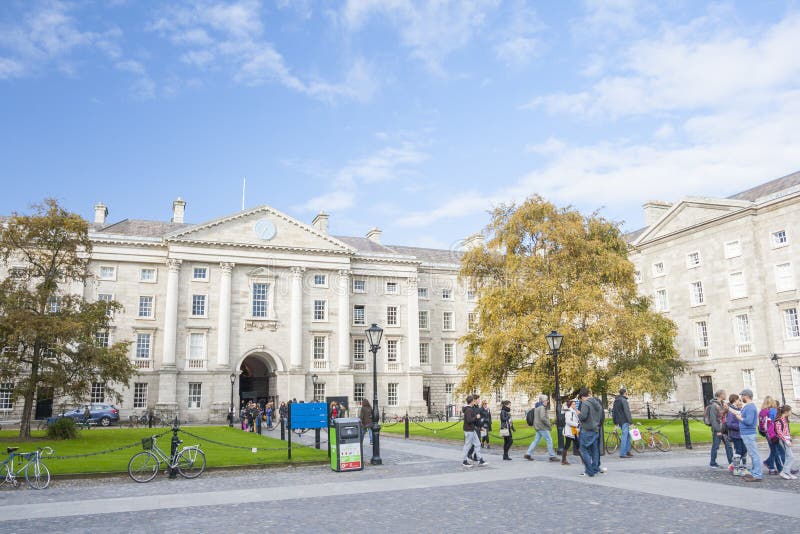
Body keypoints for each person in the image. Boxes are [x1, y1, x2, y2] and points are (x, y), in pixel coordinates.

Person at [734, 389, 762, 482]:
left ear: (746, 396)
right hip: (747, 433)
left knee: (754, 454)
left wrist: (739, 418)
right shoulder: (749, 406)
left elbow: (749, 422)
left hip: (748, 433)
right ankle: (754, 472)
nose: (741, 398)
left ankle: (757, 474)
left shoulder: (749, 407)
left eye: (742, 396)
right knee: (752, 454)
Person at [578, 387, 605, 477]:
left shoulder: (585, 403)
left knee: (584, 450)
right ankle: (595, 468)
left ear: (582, 396)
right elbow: (601, 416)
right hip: (596, 429)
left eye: (581, 399)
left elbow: (583, 417)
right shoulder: (597, 403)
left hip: (587, 429)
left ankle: (589, 471)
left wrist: (578, 414)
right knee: (595, 450)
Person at [524, 394, 559, 462]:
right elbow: (542, 418)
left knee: (536, 441)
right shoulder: (542, 408)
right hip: (542, 427)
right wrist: (549, 423)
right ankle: (552, 456)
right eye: (546, 400)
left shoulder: (537, 407)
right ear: (543, 401)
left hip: (538, 427)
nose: (547, 402)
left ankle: (528, 454)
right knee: (549, 440)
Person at [708, 389, 732, 468]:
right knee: (715, 446)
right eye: (724, 394)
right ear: (721, 395)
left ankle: (731, 463)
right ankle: (712, 463)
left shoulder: (723, 404)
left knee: (728, 446)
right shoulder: (714, 405)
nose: (726, 395)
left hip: (724, 429)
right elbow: (713, 419)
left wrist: (727, 409)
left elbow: (724, 415)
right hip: (718, 429)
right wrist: (718, 430)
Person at [461, 395, 487, 467]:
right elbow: (469, 420)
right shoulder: (468, 410)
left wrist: (480, 426)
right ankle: (464, 461)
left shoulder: (470, 409)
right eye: (474, 401)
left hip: (472, 429)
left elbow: (472, 420)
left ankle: (480, 459)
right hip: (469, 430)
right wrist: (476, 417)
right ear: (471, 401)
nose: (474, 402)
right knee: (467, 445)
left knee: (477, 444)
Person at [774, 405, 796, 480]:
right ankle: (784, 472)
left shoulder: (784, 420)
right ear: (786, 412)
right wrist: (786, 441)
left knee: (789, 456)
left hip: (786, 439)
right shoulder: (779, 421)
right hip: (783, 440)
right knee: (790, 457)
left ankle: (787, 472)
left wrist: (790, 438)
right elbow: (779, 433)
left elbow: (786, 431)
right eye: (790, 411)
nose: (791, 412)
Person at [726, 394, 746, 473]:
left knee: (744, 450)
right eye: (738, 400)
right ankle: (735, 468)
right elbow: (729, 424)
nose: (739, 401)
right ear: (735, 400)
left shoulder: (737, 409)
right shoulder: (731, 410)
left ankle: (733, 465)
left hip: (740, 434)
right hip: (735, 434)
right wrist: (740, 426)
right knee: (739, 451)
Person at [611, 388, 633, 459]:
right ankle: (623, 453)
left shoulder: (616, 401)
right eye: (627, 393)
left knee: (628, 436)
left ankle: (628, 451)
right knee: (624, 436)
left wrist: (615, 421)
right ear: (625, 393)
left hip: (619, 421)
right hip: (624, 420)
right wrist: (630, 422)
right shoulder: (624, 400)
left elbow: (613, 412)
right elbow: (627, 412)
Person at [562, 399, 580, 465]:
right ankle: (563, 460)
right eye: (573, 404)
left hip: (573, 431)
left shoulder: (573, 411)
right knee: (567, 445)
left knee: (577, 445)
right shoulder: (569, 412)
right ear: (570, 405)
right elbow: (568, 421)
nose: (575, 405)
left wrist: (577, 413)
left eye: (575, 404)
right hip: (569, 431)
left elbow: (576, 419)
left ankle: (584, 460)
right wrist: (577, 424)